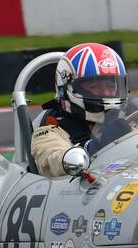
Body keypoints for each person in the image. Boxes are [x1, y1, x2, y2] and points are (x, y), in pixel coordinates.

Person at [30, 42, 129, 177]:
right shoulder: (49, 132)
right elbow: (54, 161)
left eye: (111, 86)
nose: (105, 92)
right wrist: (94, 148)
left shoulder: (126, 121)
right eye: (94, 86)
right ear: (68, 88)